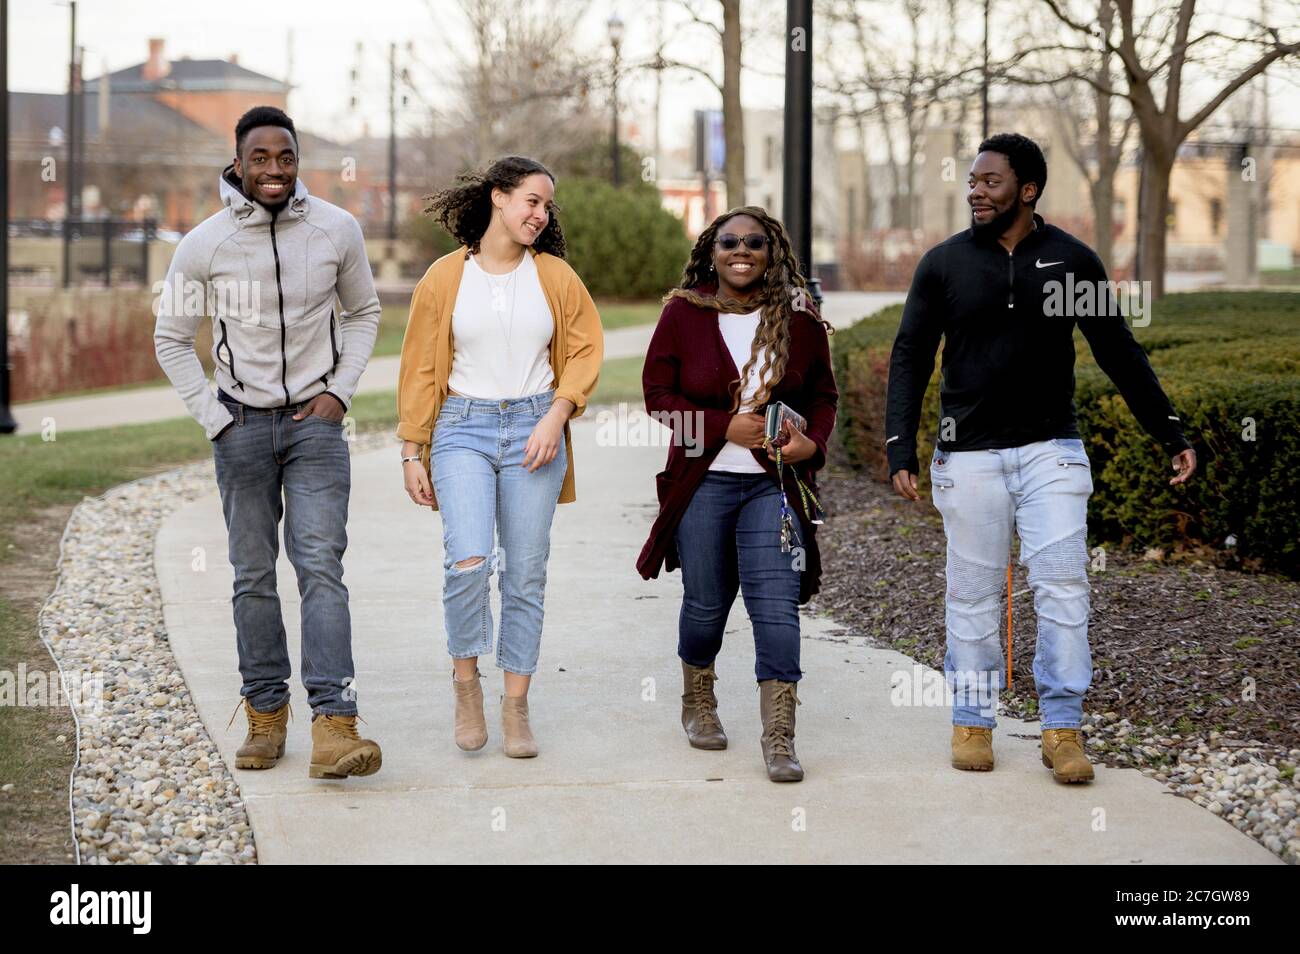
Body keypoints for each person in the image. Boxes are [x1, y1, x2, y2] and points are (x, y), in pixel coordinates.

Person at [885, 132, 1197, 783]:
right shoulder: (945, 264)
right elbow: (911, 352)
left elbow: (1117, 351)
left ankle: (1062, 728)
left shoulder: (1070, 262)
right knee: (972, 594)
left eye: (990, 181)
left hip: (1051, 450)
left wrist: (1170, 432)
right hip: (968, 454)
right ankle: (972, 719)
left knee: (1061, 584)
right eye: (972, 180)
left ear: (1027, 189)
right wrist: (899, 446)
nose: (975, 190)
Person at [154, 105, 383, 779]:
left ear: (297, 159)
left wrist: (339, 392)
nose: (274, 169)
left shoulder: (338, 229)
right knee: (253, 576)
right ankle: (264, 714)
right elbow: (171, 337)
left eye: (284, 157)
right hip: (241, 428)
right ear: (239, 162)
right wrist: (212, 415)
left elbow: (364, 311)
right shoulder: (204, 243)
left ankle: (335, 725)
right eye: (261, 158)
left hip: (316, 428)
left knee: (320, 568)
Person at [397, 156, 603, 758]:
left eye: (546, 207)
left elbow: (587, 350)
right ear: (497, 197)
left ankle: (516, 705)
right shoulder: (443, 277)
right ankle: (466, 684)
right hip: (463, 428)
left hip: (535, 429)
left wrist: (558, 413)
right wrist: (413, 449)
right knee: (468, 561)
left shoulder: (556, 278)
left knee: (526, 573)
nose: (540, 215)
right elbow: (420, 368)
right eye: (531, 201)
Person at [637, 206, 838, 782]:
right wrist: (720, 426)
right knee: (705, 604)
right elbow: (657, 395)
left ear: (772, 251)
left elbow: (823, 396)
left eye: (755, 242)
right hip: (702, 483)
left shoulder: (798, 317)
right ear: (712, 250)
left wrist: (810, 445)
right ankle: (698, 701)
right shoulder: (684, 312)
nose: (742, 251)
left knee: (775, 607)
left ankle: (779, 737)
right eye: (730, 242)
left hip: (773, 488)